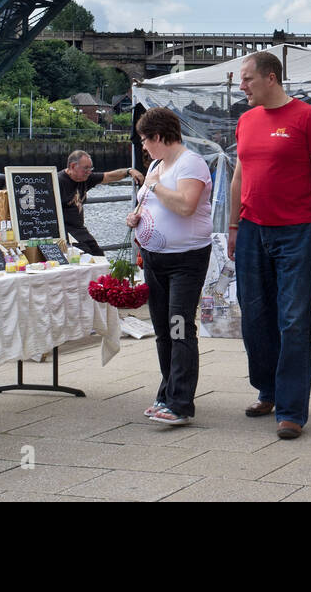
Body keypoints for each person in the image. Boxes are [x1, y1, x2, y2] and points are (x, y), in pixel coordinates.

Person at [228, 51, 311, 441]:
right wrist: (232, 226)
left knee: (292, 320)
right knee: (254, 315)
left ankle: (291, 410)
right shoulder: (245, 120)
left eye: (247, 79)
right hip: (251, 230)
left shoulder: (310, 118)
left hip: (295, 232)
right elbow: (239, 176)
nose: (241, 86)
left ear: (271, 78)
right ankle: (268, 390)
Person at [126, 108, 213, 426]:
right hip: (154, 258)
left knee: (179, 327)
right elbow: (147, 203)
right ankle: (167, 392)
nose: (144, 147)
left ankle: (181, 403)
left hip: (185, 260)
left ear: (159, 137)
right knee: (163, 330)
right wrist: (135, 217)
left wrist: (157, 185)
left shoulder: (191, 163)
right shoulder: (157, 166)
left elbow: (186, 206)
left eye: (145, 140)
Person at [59, 151, 144, 255]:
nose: (89, 172)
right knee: (85, 257)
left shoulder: (85, 178)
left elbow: (108, 176)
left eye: (90, 168)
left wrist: (129, 171)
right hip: (65, 233)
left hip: (80, 230)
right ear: (72, 166)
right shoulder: (58, 182)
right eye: (85, 168)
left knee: (99, 256)